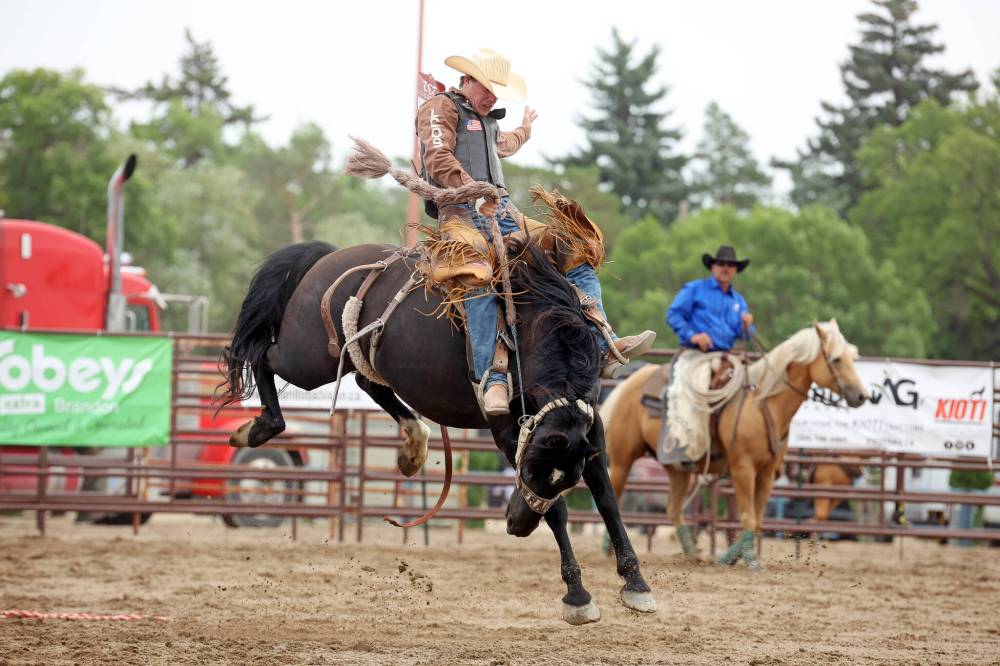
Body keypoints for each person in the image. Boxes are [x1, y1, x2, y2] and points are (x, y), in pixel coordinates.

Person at [416, 48, 654, 416]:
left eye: (497, 91)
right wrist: (473, 190)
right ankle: (492, 378)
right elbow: (437, 156)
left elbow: (504, 144)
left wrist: (525, 130)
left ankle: (600, 342)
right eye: (487, 88)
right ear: (468, 80)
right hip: (459, 214)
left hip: (504, 212)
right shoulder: (440, 108)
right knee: (476, 271)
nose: (492, 98)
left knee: (574, 245)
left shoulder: (486, 121)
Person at [667, 245, 755, 352]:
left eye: (731, 265)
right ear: (712, 267)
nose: (726, 268)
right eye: (721, 263)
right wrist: (692, 336)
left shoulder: (739, 300)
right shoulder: (694, 289)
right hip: (696, 353)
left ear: (736, 269)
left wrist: (746, 326)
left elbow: (746, 335)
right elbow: (674, 315)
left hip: (726, 355)